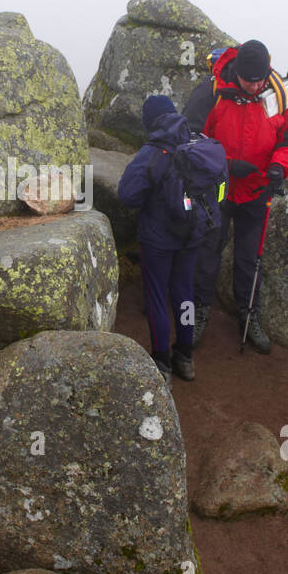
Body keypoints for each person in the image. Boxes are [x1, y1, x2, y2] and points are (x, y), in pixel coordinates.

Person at [188, 40, 288, 353]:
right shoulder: (211, 92)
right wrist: (226, 165)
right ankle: (199, 311)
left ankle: (249, 314)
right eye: (248, 80)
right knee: (207, 250)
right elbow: (190, 141)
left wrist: (281, 167)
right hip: (218, 187)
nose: (254, 87)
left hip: (257, 189)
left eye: (259, 80)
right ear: (236, 71)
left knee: (250, 257)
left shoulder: (284, 95)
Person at [116, 95, 218, 383]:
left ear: (150, 122)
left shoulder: (153, 151)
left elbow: (127, 195)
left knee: (158, 298)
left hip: (159, 239)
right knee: (184, 296)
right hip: (192, 235)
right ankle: (185, 357)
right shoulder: (197, 141)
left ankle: (162, 363)